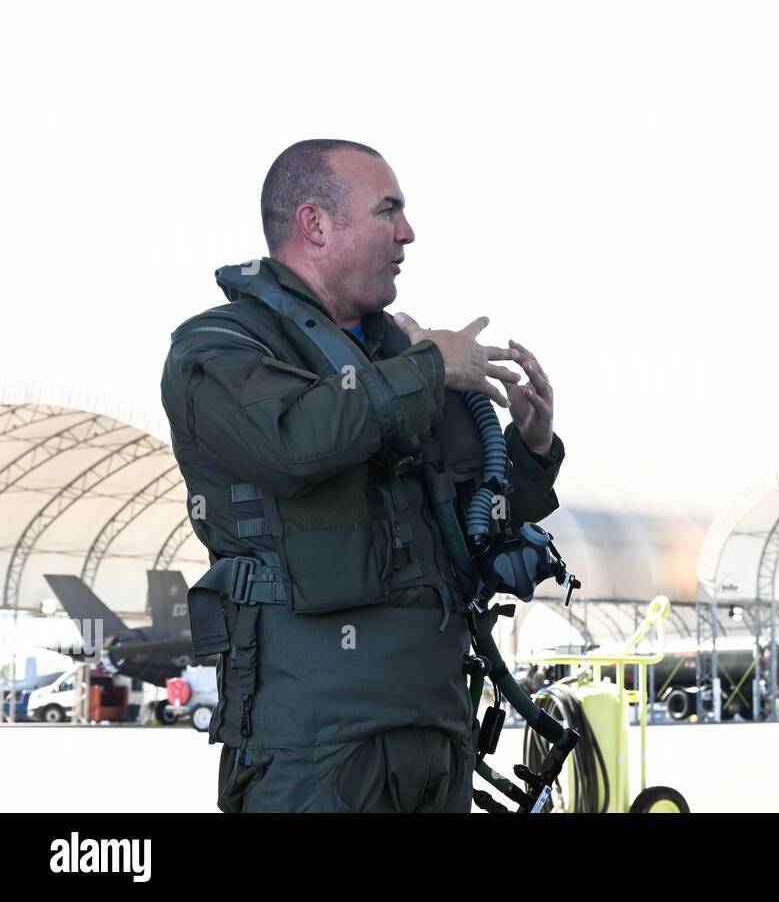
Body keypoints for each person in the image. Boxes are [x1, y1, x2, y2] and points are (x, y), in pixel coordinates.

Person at [160, 139, 565, 812]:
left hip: (436, 737)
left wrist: (529, 446)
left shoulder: (400, 360)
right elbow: (292, 444)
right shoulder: (221, 349)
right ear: (315, 224)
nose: (408, 233)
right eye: (389, 211)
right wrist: (427, 368)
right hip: (314, 752)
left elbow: (480, 521)